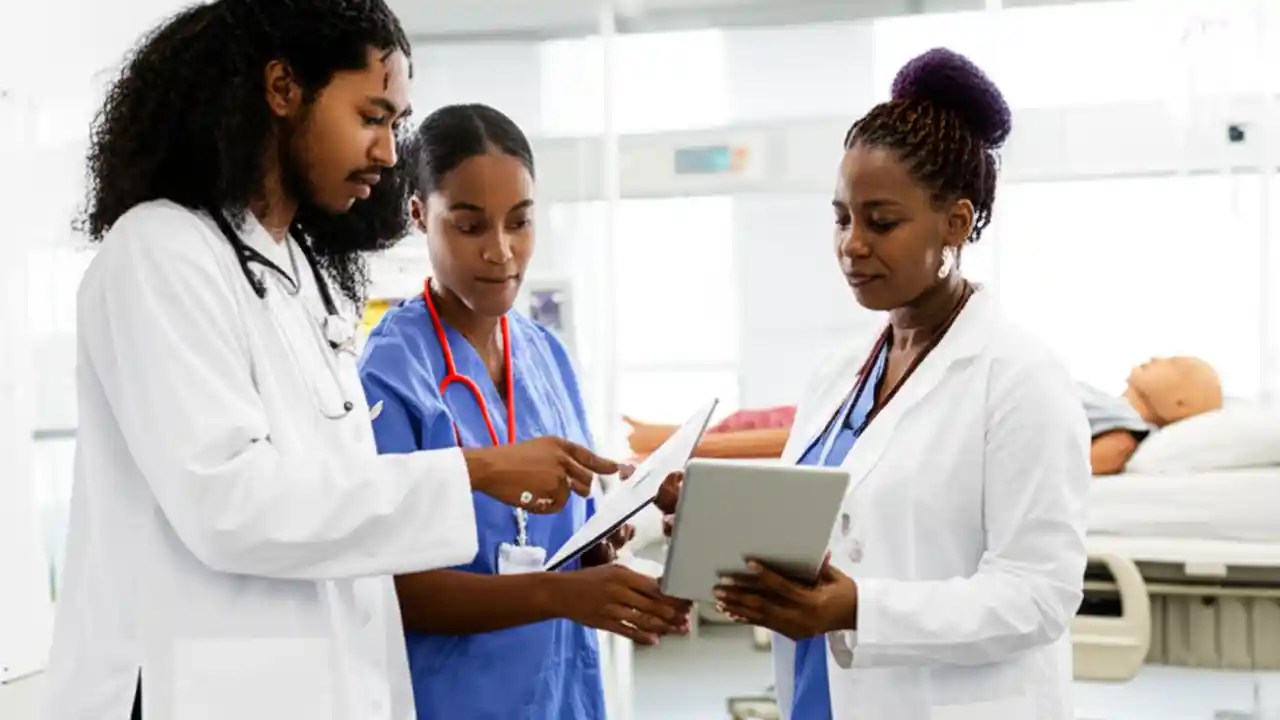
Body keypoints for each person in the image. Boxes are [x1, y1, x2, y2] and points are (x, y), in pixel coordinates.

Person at [42, 5, 621, 719]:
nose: (387, 152)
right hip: (182, 690)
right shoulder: (160, 252)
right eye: (371, 116)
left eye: (395, 124)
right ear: (283, 89)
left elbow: (343, 513)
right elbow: (231, 504)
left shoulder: (298, 274)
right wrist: (479, 470)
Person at [711, 48, 1090, 719]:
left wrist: (859, 605)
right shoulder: (837, 377)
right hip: (821, 696)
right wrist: (715, 521)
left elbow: (1039, 594)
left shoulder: (1022, 379)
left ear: (956, 222)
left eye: (880, 221)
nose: (852, 244)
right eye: (841, 217)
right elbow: (815, 528)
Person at [357, 103, 690, 720]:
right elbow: (390, 591)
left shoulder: (547, 356)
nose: (502, 252)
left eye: (520, 222)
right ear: (417, 216)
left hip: (561, 693)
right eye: (470, 225)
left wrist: (603, 542)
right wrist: (562, 594)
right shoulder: (389, 374)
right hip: (451, 699)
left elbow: (561, 540)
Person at [1085, 356, 1222, 475]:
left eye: (1173, 363)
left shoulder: (1126, 433)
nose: (1155, 358)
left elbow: (1106, 455)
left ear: (1179, 404)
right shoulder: (1110, 407)